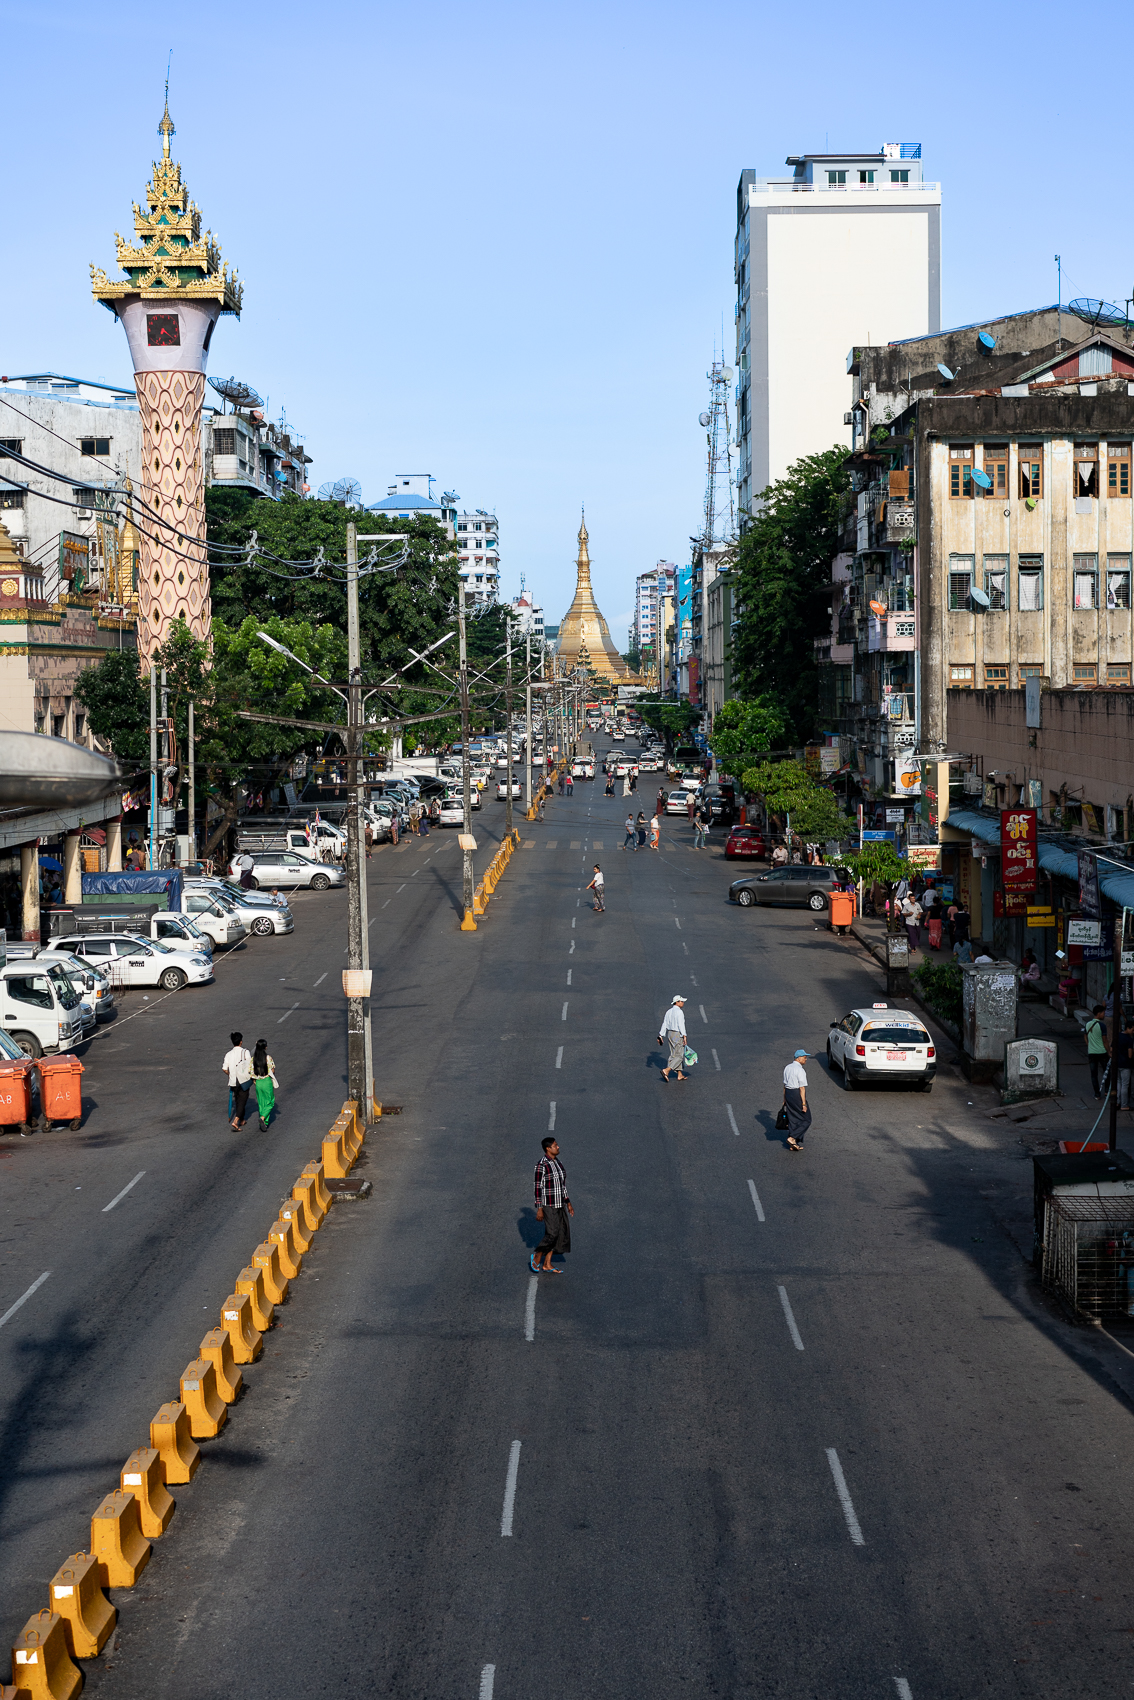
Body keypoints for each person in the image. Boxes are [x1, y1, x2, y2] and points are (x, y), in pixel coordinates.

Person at [531, 1136, 573, 1274]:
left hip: (560, 1203)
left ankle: (547, 1264)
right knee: (552, 1233)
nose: (558, 1147)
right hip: (549, 1204)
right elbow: (538, 1187)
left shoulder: (558, 1163)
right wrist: (539, 1208)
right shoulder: (541, 1165)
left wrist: (568, 1202)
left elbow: (562, 1185)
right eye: (555, 1145)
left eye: (557, 1144)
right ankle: (537, 1255)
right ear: (548, 1148)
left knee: (560, 1233)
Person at [221, 1030, 253, 1131]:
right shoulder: (245, 1052)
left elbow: (224, 1069)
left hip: (233, 1081)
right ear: (241, 1042)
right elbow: (249, 1065)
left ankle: (242, 1119)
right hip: (243, 1080)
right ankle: (236, 1121)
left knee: (238, 1099)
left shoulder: (228, 1054)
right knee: (243, 1100)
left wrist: (230, 1074)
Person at [782, 1048, 812, 1152]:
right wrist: (803, 1103)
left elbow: (785, 1085)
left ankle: (793, 1144)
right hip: (796, 1095)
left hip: (789, 1094)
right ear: (798, 1058)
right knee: (807, 1119)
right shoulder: (800, 1070)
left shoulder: (787, 1067)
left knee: (793, 1118)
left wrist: (784, 1099)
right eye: (804, 1057)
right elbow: (802, 1088)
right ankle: (792, 1138)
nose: (806, 1059)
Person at [658, 994, 689, 1082]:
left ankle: (680, 1075)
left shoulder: (668, 1011)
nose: (683, 1003)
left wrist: (661, 1035)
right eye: (682, 1001)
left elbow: (665, 1024)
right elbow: (681, 1025)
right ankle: (666, 1070)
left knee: (674, 1054)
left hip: (670, 1034)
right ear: (677, 1002)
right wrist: (684, 1036)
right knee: (679, 1055)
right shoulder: (679, 1012)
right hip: (677, 1034)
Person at [251, 1038, 279, 1131]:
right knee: (270, 1102)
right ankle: (263, 1118)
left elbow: (251, 1073)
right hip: (266, 1081)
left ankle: (264, 1124)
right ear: (264, 1048)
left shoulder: (253, 1059)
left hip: (258, 1082)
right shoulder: (268, 1058)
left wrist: (255, 1080)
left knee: (261, 1103)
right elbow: (273, 1070)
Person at [1085, 1004, 1110, 1100]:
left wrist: (1089, 1045)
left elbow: (1085, 1036)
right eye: (1103, 1013)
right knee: (1107, 1072)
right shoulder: (1102, 1025)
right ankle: (1107, 1090)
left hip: (1092, 1053)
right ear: (1099, 1014)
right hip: (1102, 1052)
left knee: (1093, 1074)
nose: (1104, 1014)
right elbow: (1105, 1040)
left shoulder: (1087, 1024)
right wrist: (1109, 1051)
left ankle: (1097, 1094)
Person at [1117, 1017, 1134, 1110]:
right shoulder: (1129, 1040)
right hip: (1126, 1064)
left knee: (1118, 1083)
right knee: (1125, 1084)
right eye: (1133, 1029)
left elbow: (1112, 1049)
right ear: (1128, 1028)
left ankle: (1118, 1101)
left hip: (1117, 1063)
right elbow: (1130, 1055)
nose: (1133, 1032)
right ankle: (1124, 1104)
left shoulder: (1118, 1036)